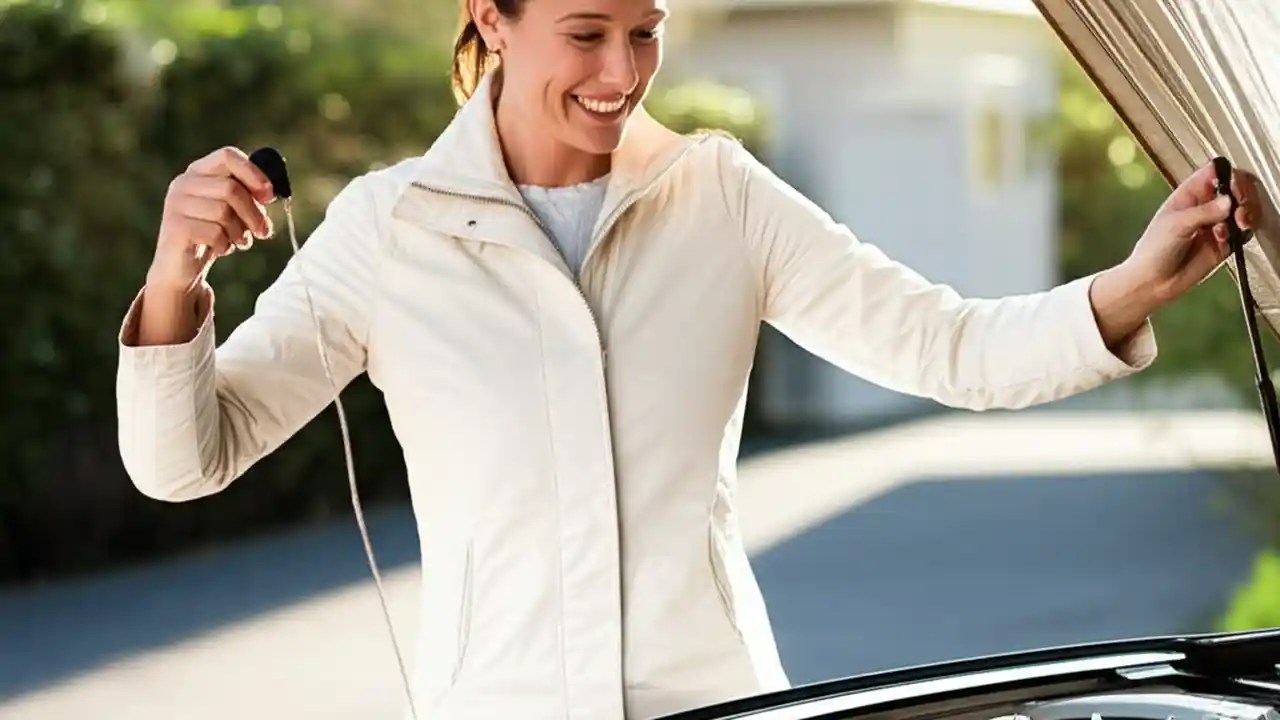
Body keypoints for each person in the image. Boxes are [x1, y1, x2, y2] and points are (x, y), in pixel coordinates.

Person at [116, 0, 1261, 718]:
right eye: (586, 32)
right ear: (491, 19)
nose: (622, 70)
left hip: (717, 700)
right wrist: (176, 276)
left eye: (646, 30)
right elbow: (187, 460)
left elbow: (950, 348)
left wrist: (1135, 279)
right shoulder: (387, 226)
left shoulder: (717, 192)